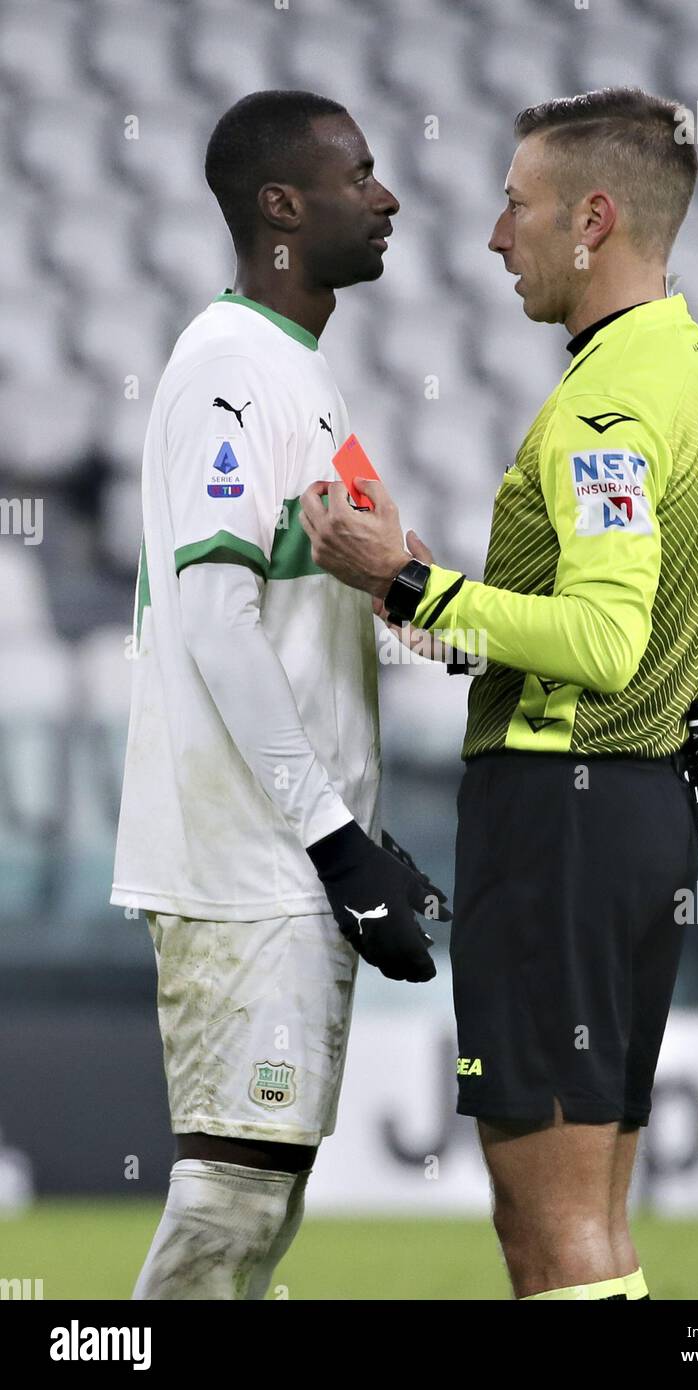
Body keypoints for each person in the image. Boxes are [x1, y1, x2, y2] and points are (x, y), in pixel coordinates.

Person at [299, 87, 698, 1302]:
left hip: (559, 819)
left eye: (516, 206)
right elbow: (605, 626)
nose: (497, 237)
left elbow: (601, 639)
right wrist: (419, 597)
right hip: (637, 806)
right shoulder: (692, 372)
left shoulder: (604, 407)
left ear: (592, 218)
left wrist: (407, 581)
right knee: (594, 1226)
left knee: (548, 1236)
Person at [111, 89, 448, 1301]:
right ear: (281, 207)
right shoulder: (227, 370)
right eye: (359, 174)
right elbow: (212, 619)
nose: (387, 194)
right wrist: (329, 836)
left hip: (291, 852)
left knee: (263, 1193)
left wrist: (360, 830)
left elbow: (379, 596)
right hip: (244, 855)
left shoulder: (306, 380)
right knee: (232, 1194)